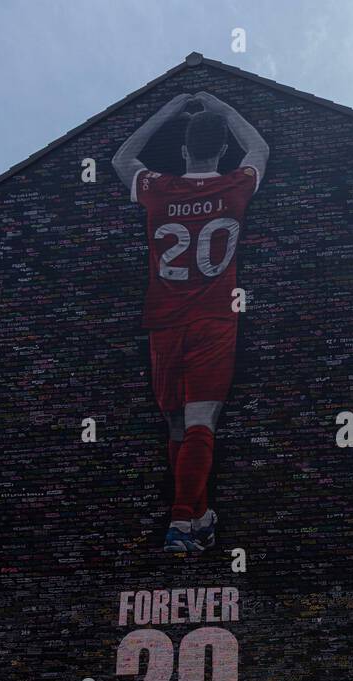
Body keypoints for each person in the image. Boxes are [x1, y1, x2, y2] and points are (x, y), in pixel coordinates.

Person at [112, 90, 270, 553]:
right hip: (213, 319)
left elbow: (122, 156)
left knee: (176, 427)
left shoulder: (158, 188)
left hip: (163, 322)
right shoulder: (236, 185)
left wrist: (171, 108)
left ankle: (198, 517)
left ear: (183, 151)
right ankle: (182, 524)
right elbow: (260, 147)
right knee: (203, 420)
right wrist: (220, 106)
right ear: (222, 150)